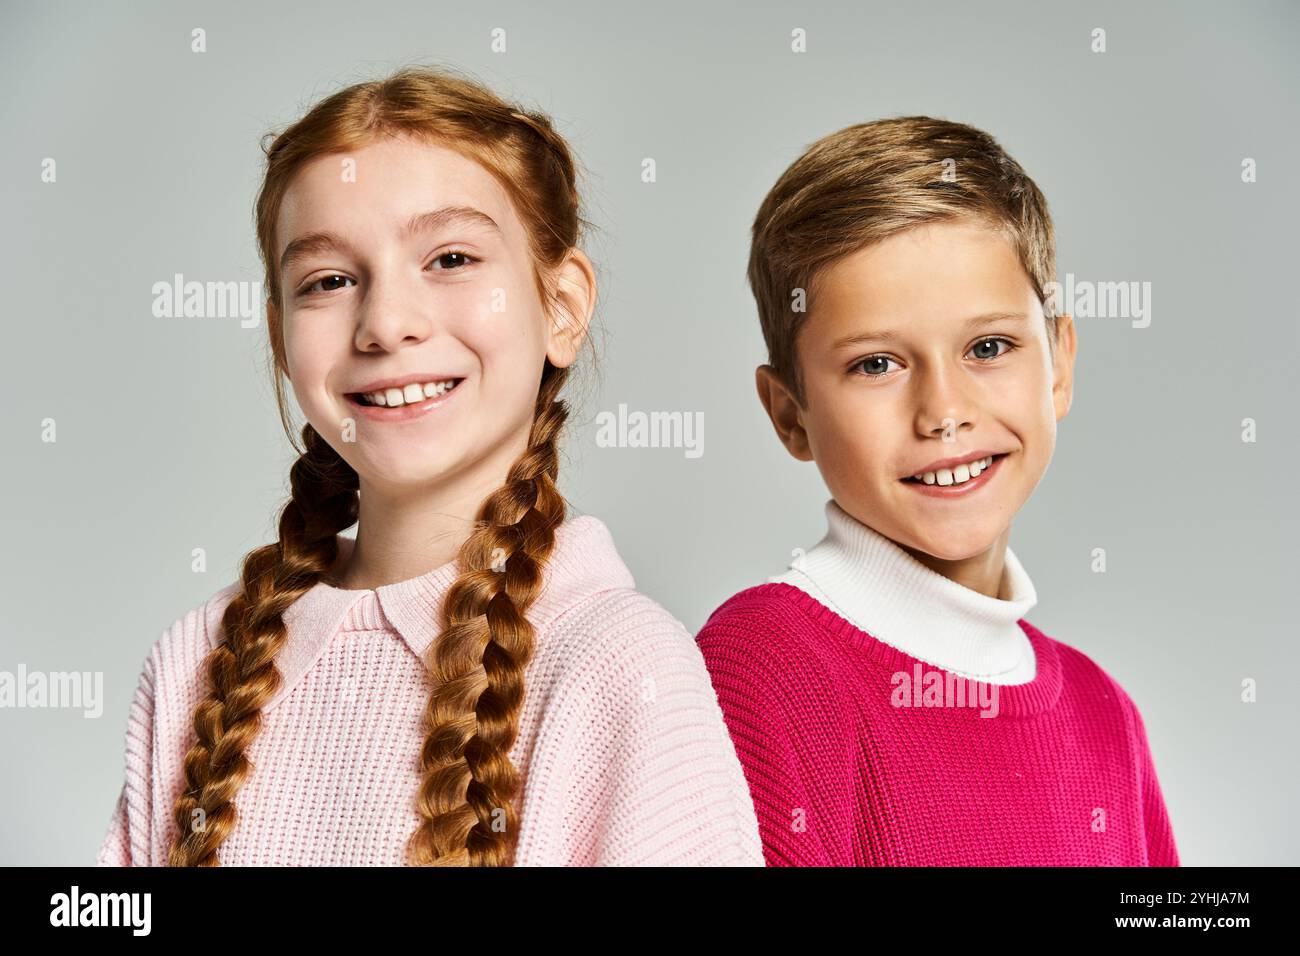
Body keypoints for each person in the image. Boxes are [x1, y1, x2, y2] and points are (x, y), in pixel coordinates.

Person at [96, 64, 762, 867]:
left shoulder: (619, 666)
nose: (385, 323)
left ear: (563, 306)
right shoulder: (198, 658)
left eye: (449, 259)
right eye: (330, 280)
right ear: (279, 339)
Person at [695, 116, 1179, 867]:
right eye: (877, 365)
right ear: (790, 415)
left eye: (989, 348)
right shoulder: (763, 670)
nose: (944, 412)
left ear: (1058, 365)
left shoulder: (1104, 714)